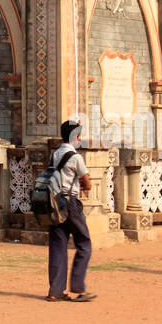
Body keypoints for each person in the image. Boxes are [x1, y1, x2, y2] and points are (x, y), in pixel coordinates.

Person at [46, 119, 95, 302]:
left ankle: (55, 291)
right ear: (75, 137)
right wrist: (80, 186)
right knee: (84, 242)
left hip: (54, 204)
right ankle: (78, 287)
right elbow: (88, 183)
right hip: (71, 203)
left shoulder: (55, 155)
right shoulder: (75, 157)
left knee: (58, 246)